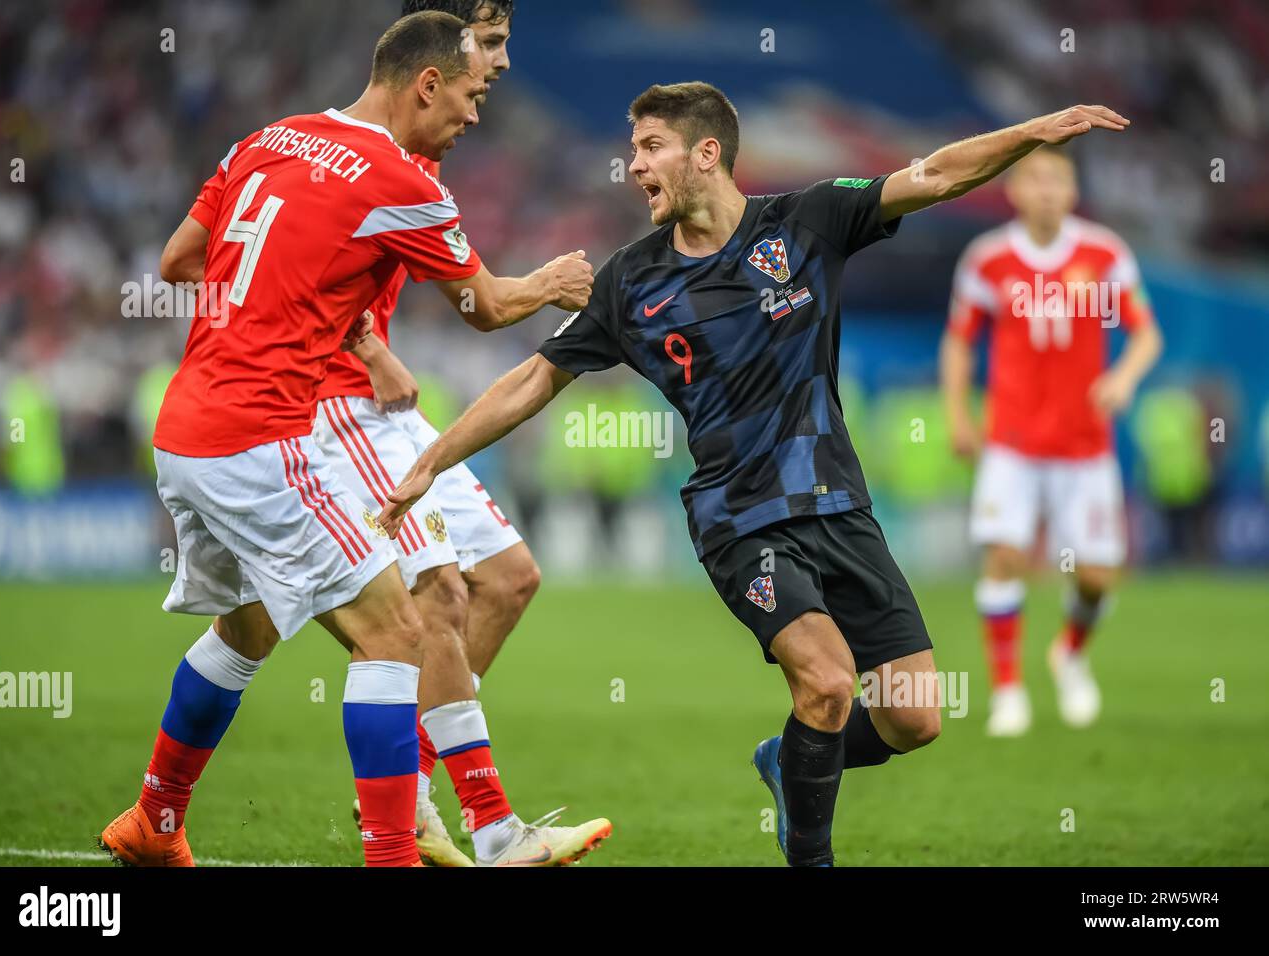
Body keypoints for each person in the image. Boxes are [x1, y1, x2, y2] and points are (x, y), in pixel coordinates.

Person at [377, 81, 1131, 865]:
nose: (633, 165)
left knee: (914, 718)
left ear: (707, 154)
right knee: (831, 685)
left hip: (839, 507)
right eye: (632, 149)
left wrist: (1035, 130)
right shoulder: (631, 282)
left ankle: (789, 759)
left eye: (649, 147)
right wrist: (432, 461)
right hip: (740, 521)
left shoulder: (807, 220)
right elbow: (533, 379)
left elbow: (936, 175)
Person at [101, 11, 604, 867]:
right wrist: (553, 282)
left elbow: (183, 260)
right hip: (262, 434)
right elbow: (484, 308)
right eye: (473, 94)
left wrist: (320, 319)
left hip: (186, 424)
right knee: (399, 632)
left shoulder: (269, 138)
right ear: (428, 83)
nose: (477, 117)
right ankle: (406, 851)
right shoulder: (402, 182)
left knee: (250, 625)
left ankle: (155, 818)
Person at [940, 146, 1162, 736]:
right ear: (1014, 191)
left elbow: (1146, 336)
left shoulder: (1104, 253)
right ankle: (1008, 692)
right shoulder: (988, 260)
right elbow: (960, 341)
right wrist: (959, 415)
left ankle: (1069, 651)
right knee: (1005, 556)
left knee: (1094, 577)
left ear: (1072, 191)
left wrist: (1122, 376)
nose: (1045, 191)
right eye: (1033, 180)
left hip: (1084, 445)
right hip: (1011, 441)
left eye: (1056, 180)